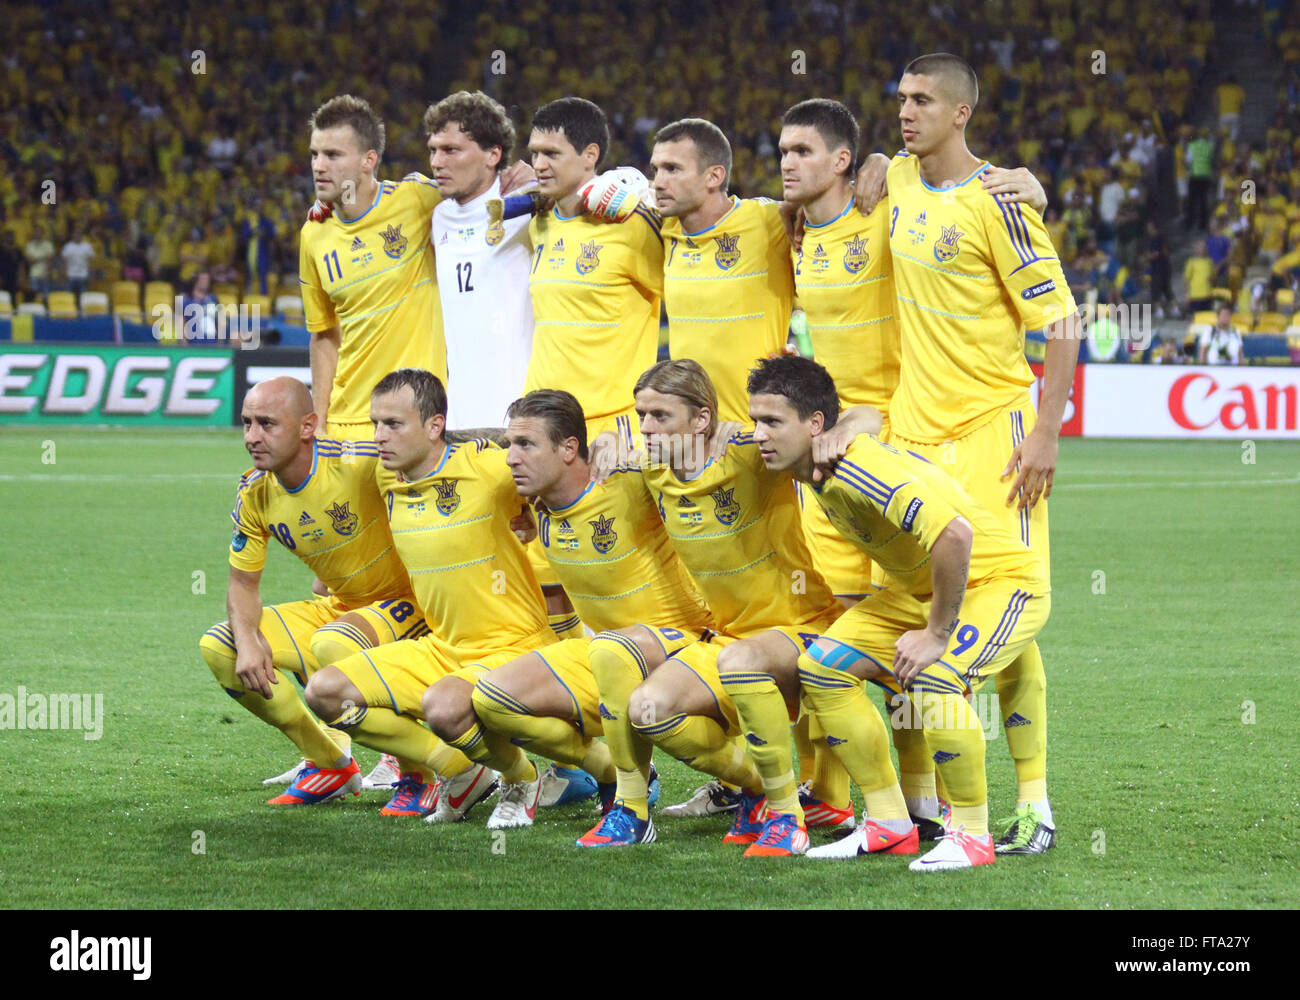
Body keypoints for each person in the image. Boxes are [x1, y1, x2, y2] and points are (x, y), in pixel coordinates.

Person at [747, 355, 1050, 871]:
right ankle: (888, 823)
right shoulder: (815, 465)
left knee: (934, 677)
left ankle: (972, 835)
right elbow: (865, 413)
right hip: (917, 591)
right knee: (823, 668)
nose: (759, 434)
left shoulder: (855, 470)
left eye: (772, 422)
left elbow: (955, 535)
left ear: (815, 425)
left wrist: (936, 634)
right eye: (755, 420)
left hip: (1000, 582)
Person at [886, 53, 1081, 854]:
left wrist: (1044, 431)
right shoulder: (892, 178)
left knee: (999, 619)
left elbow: (1062, 322)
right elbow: (867, 167)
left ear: (960, 113)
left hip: (991, 443)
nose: (906, 111)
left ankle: (1030, 804)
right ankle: (924, 806)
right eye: (900, 98)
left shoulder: (1000, 202)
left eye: (923, 100)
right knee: (929, 619)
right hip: (911, 443)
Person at [592, 359, 881, 855]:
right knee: (647, 710)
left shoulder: (753, 453)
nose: (646, 427)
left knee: (741, 662)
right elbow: (560, 457)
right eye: (641, 416)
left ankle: (788, 818)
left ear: (701, 420)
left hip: (805, 628)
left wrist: (841, 431)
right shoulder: (651, 468)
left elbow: (871, 416)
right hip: (729, 638)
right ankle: (754, 788)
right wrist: (598, 444)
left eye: (660, 415)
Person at [426, 389, 712, 843]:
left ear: (569, 449)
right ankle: (609, 773)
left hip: (682, 648)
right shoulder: (539, 505)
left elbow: (706, 449)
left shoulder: (630, 479)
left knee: (648, 701)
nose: (512, 459)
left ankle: (747, 788)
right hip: (606, 654)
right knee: (491, 701)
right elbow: (480, 448)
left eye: (526, 446)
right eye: (511, 445)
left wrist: (627, 448)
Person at [304, 368, 555, 828]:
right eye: (375, 423)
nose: (379, 435)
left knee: (444, 707)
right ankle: (461, 770)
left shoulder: (489, 468)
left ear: (435, 426)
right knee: (324, 693)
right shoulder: (384, 472)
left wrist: (536, 517)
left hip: (513, 645)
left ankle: (522, 778)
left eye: (393, 424)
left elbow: (550, 455)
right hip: (443, 647)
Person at [197, 377, 436, 811]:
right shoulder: (255, 491)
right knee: (222, 647)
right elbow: (242, 584)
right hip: (345, 605)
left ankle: (421, 773)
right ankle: (330, 762)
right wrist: (249, 643)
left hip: (411, 603)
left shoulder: (359, 461)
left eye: (267, 423)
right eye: (247, 423)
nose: (252, 437)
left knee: (337, 642)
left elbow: (445, 463)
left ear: (308, 426)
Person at [299, 95, 448, 442]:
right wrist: (320, 421)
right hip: (345, 423)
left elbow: (478, 191)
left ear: (369, 160)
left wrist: (525, 175)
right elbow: (323, 334)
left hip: (414, 422)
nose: (319, 165)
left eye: (333, 155)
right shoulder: (313, 235)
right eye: (314, 154)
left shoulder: (416, 201)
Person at [426, 91, 536, 430]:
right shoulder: (435, 215)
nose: (436, 162)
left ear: (493, 155)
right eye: (432, 149)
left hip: (522, 415)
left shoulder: (528, 207)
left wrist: (539, 182)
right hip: (458, 418)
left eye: (451, 150)